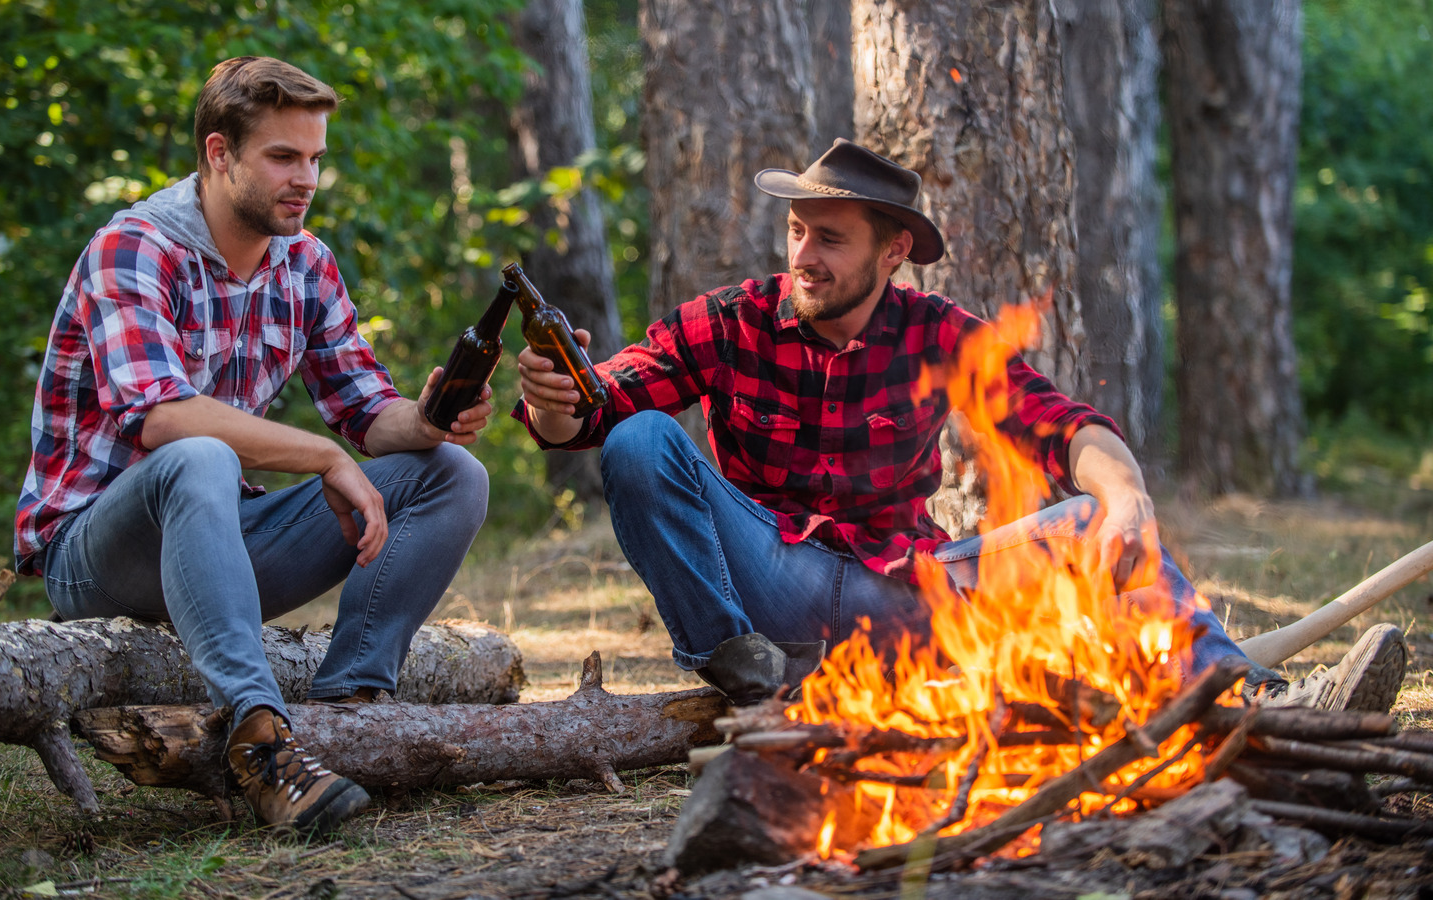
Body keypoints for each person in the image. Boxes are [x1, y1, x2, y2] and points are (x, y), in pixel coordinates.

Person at [514, 138, 1407, 712]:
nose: (804, 256)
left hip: (902, 599)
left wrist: (1126, 492)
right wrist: (560, 409)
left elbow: (1063, 425)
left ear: (892, 252)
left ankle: (1257, 696)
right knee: (638, 439)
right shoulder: (733, 317)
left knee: (1095, 518)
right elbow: (604, 408)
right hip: (763, 592)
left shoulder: (940, 335)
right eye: (797, 232)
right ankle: (733, 667)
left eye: (831, 238)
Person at [14, 57, 493, 836]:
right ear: (218, 154)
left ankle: (349, 713)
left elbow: (367, 412)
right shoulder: (133, 248)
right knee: (199, 454)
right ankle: (260, 739)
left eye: (314, 159)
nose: (305, 178)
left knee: (452, 475)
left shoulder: (305, 263)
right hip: (95, 557)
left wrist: (432, 419)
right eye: (282, 157)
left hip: (222, 548)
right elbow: (164, 419)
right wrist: (326, 457)